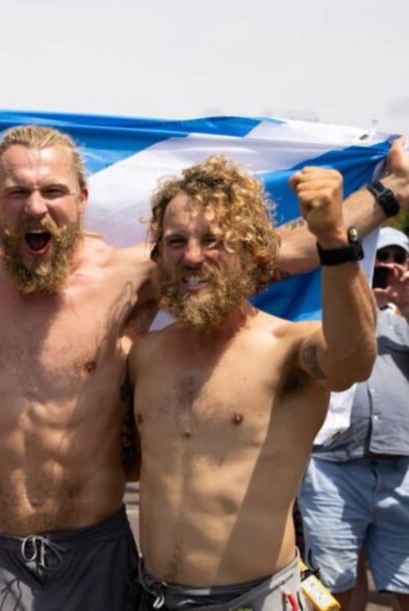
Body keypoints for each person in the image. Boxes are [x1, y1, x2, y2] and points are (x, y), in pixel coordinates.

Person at [0, 125, 408, 609]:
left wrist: (386, 195)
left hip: (98, 554)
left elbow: (275, 251)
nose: (35, 207)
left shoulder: (139, 272)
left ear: (81, 197)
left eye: (53, 191)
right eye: (17, 192)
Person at [127, 158, 377, 610]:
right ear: (159, 254)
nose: (192, 256)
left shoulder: (287, 350)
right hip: (153, 596)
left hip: (255, 599)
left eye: (213, 241)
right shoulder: (146, 355)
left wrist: (334, 240)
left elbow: (353, 360)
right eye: (176, 241)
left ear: (251, 252)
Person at [298, 225, 409, 611]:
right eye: (381, 256)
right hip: (332, 465)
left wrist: (406, 303)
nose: (388, 266)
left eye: (399, 259)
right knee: (337, 584)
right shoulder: (325, 313)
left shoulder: (404, 322)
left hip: (401, 467)